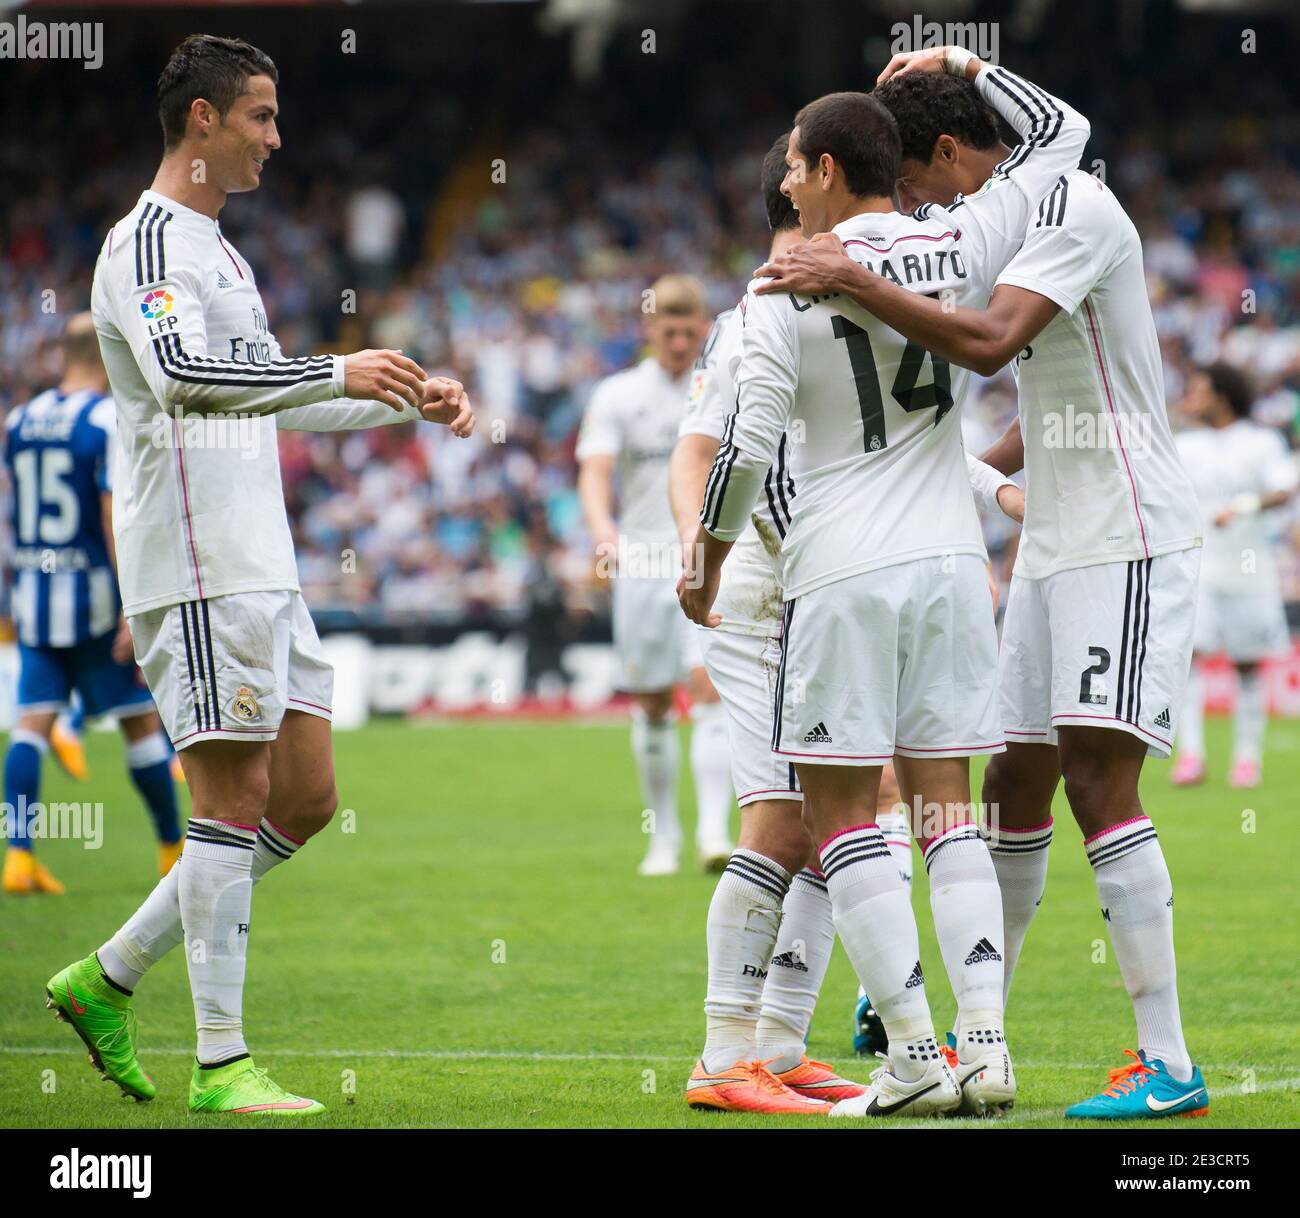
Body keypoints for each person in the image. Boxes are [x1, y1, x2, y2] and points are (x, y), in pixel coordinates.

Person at [757, 46, 1208, 1119]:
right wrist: (961, 56)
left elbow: (992, 343)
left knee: (1100, 784)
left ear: (954, 152)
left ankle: (1170, 1064)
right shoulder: (1018, 186)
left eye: (915, 185)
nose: (918, 214)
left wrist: (854, 274)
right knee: (1012, 782)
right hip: (1055, 536)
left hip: (1127, 532)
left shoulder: (1076, 210)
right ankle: (975, 1028)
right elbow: (1030, 393)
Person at [45, 34, 474, 1117]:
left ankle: (106, 977)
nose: (277, 140)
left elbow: (262, 389)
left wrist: (394, 393)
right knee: (232, 799)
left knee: (309, 796)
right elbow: (186, 377)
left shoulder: (220, 253)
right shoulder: (148, 244)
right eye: (261, 118)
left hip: (259, 564)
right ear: (202, 120)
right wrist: (336, 365)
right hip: (194, 565)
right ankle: (223, 1063)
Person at [683, 54, 1090, 1118]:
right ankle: (986, 1047)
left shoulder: (781, 287)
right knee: (949, 814)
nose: (784, 186)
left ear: (823, 169)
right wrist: (968, 63)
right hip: (953, 567)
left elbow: (743, 443)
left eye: (790, 169)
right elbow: (1059, 142)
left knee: (844, 818)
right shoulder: (956, 242)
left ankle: (912, 1055)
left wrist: (707, 558)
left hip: (839, 568)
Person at [2, 313, 182, 894]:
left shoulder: (19, 418)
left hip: (34, 597)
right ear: (107, 354)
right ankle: (171, 850)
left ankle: (18, 857)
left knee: (30, 726)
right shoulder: (108, 418)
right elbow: (113, 516)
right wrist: (135, 604)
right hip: (98, 602)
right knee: (139, 722)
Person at [577, 275, 735, 876]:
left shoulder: (718, 387)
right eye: (667, 331)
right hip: (640, 562)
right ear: (650, 330)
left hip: (703, 556)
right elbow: (595, 472)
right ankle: (663, 836)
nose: (677, 341)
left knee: (709, 688)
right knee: (650, 703)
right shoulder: (618, 395)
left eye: (688, 331)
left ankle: (713, 835)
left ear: (702, 329)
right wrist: (602, 534)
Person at [1173, 363, 1298, 788]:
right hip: (1198, 569)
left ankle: (1247, 760)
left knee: (1248, 665)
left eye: (1198, 389)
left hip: (1250, 570)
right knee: (1191, 659)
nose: (1190, 397)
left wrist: (1242, 508)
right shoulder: (1184, 444)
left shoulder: (1261, 441)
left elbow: (1283, 489)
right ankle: (1191, 756)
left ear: (1221, 394)